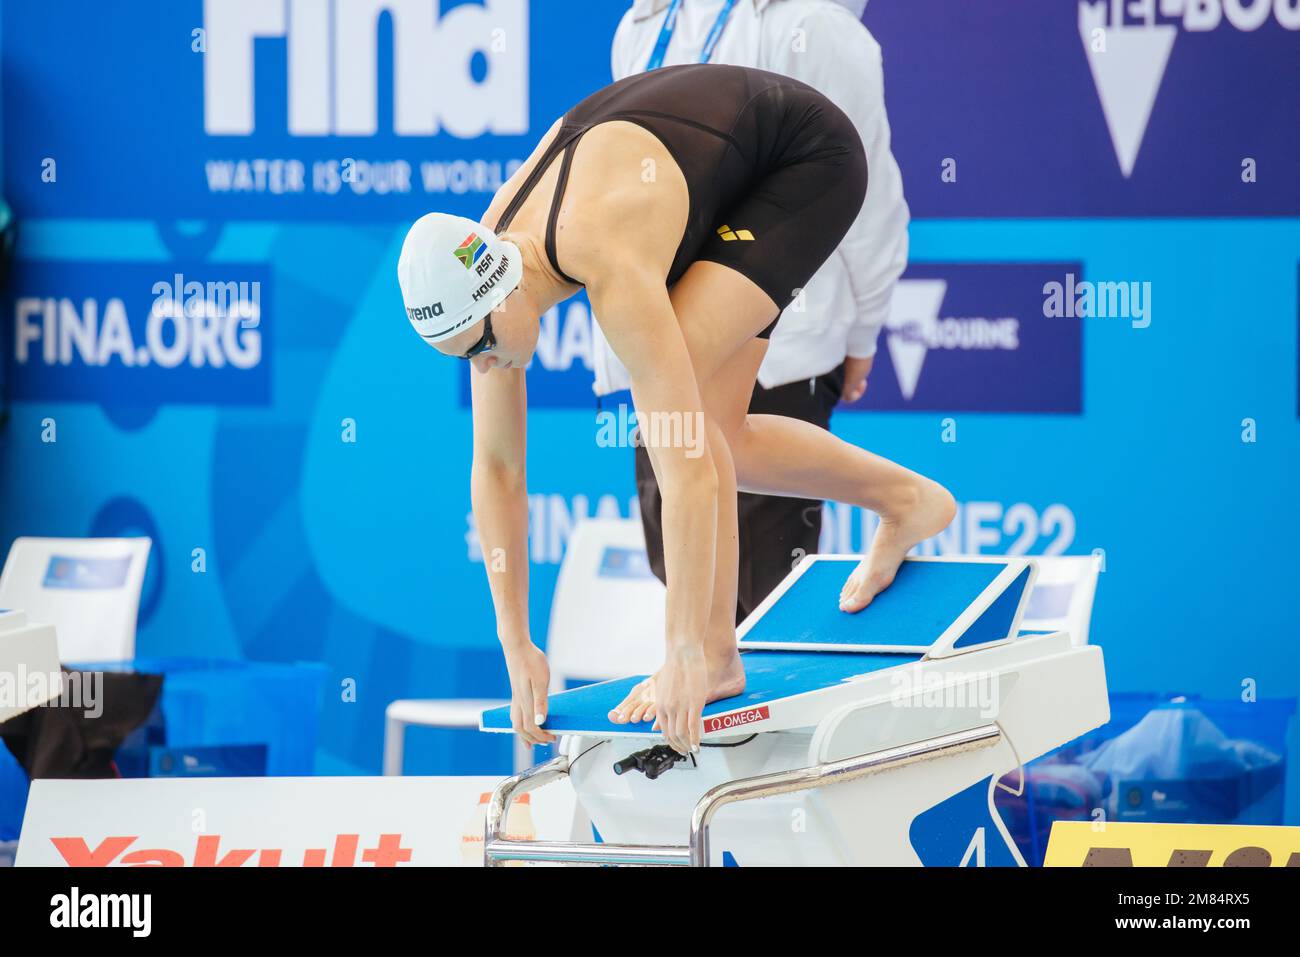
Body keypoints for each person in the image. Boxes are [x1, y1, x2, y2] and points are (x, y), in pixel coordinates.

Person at [397, 63, 955, 758]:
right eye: (462, 355)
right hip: (712, 173)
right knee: (718, 432)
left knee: (681, 406)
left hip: (804, 160)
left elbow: (686, 474)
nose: (481, 365)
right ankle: (906, 499)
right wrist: (516, 643)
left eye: (480, 345)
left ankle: (718, 654)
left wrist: (681, 650)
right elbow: (499, 468)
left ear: (504, 293)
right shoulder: (485, 273)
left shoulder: (603, 257)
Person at [598, 0, 910, 622]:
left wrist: (863, 330)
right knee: (679, 568)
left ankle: (906, 499)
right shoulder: (641, 24)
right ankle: (706, 689)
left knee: (768, 596)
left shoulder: (813, 24)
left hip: (774, 345)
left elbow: (861, 186)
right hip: (658, 344)